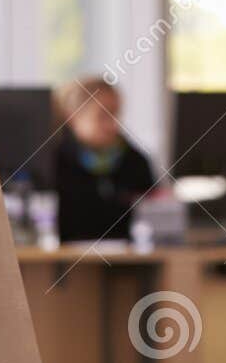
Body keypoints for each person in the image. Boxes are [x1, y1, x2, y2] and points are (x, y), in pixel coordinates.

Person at [53, 75, 155, 244]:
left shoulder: (135, 160)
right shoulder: (53, 160)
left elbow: (154, 214)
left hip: (127, 262)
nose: (112, 125)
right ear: (73, 117)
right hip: (65, 261)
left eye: (116, 114)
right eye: (103, 115)